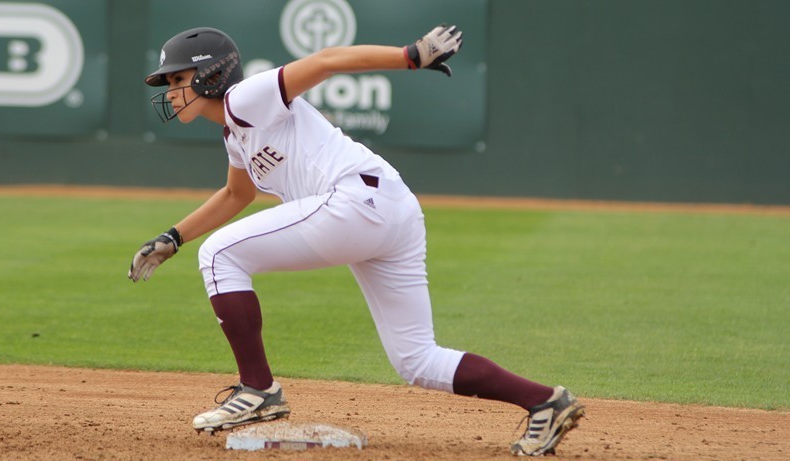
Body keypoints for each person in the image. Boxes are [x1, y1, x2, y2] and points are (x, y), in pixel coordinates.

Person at [129, 24, 585, 456]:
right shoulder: (236, 134)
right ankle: (546, 402)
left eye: (178, 78)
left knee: (220, 254)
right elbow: (237, 194)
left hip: (354, 200)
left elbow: (326, 61)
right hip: (389, 208)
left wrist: (409, 57)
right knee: (417, 361)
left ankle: (258, 389)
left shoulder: (244, 98)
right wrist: (173, 236)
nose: (170, 91)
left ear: (211, 74)